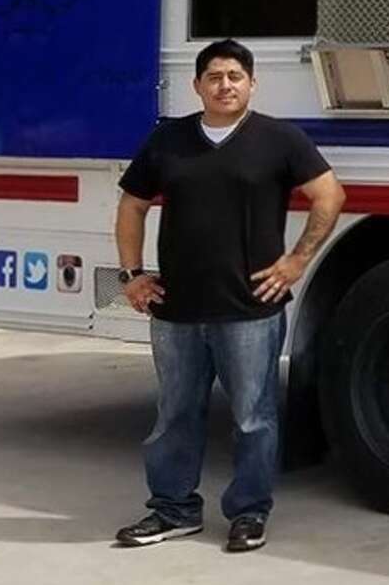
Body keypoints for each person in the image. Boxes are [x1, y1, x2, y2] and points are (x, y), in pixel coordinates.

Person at [112, 39, 345, 552]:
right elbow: (131, 206)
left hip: (249, 311)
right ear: (197, 85)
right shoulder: (167, 140)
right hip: (175, 310)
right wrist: (130, 274)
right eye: (214, 76)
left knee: (253, 418)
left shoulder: (279, 139)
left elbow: (330, 194)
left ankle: (249, 512)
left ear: (252, 83)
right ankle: (172, 510)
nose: (225, 85)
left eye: (235, 76)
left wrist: (297, 260)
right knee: (174, 415)